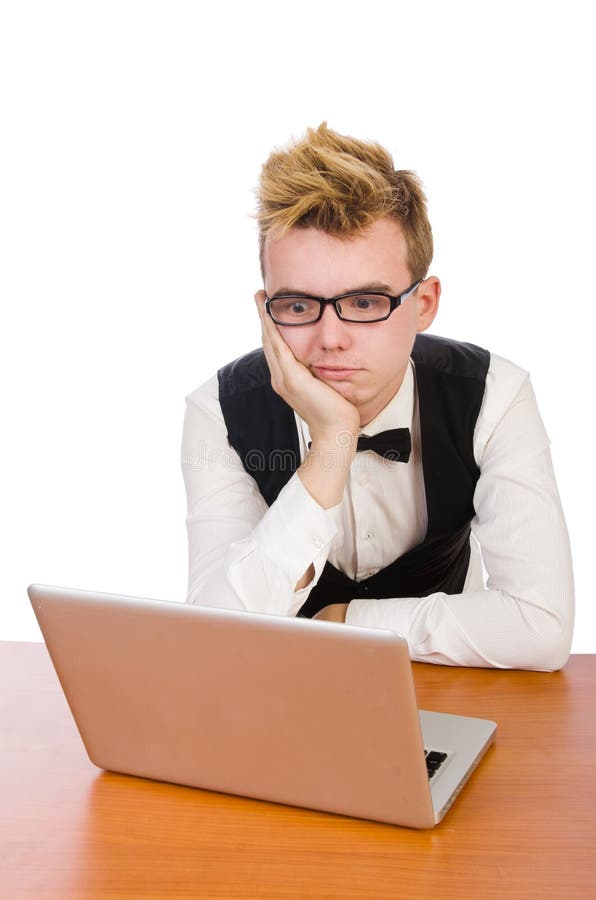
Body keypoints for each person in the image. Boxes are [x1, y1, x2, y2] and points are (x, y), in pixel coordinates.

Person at [181, 122, 574, 670]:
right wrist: (332, 444)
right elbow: (211, 639)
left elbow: (541, 627)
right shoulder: (218, 413)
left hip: (444, 689)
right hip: (281, 699)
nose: (331, 338)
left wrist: (348, 625)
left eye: (365, 302)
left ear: (424, 303)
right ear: (265, 311)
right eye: (297, 306)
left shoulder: (493, 395)